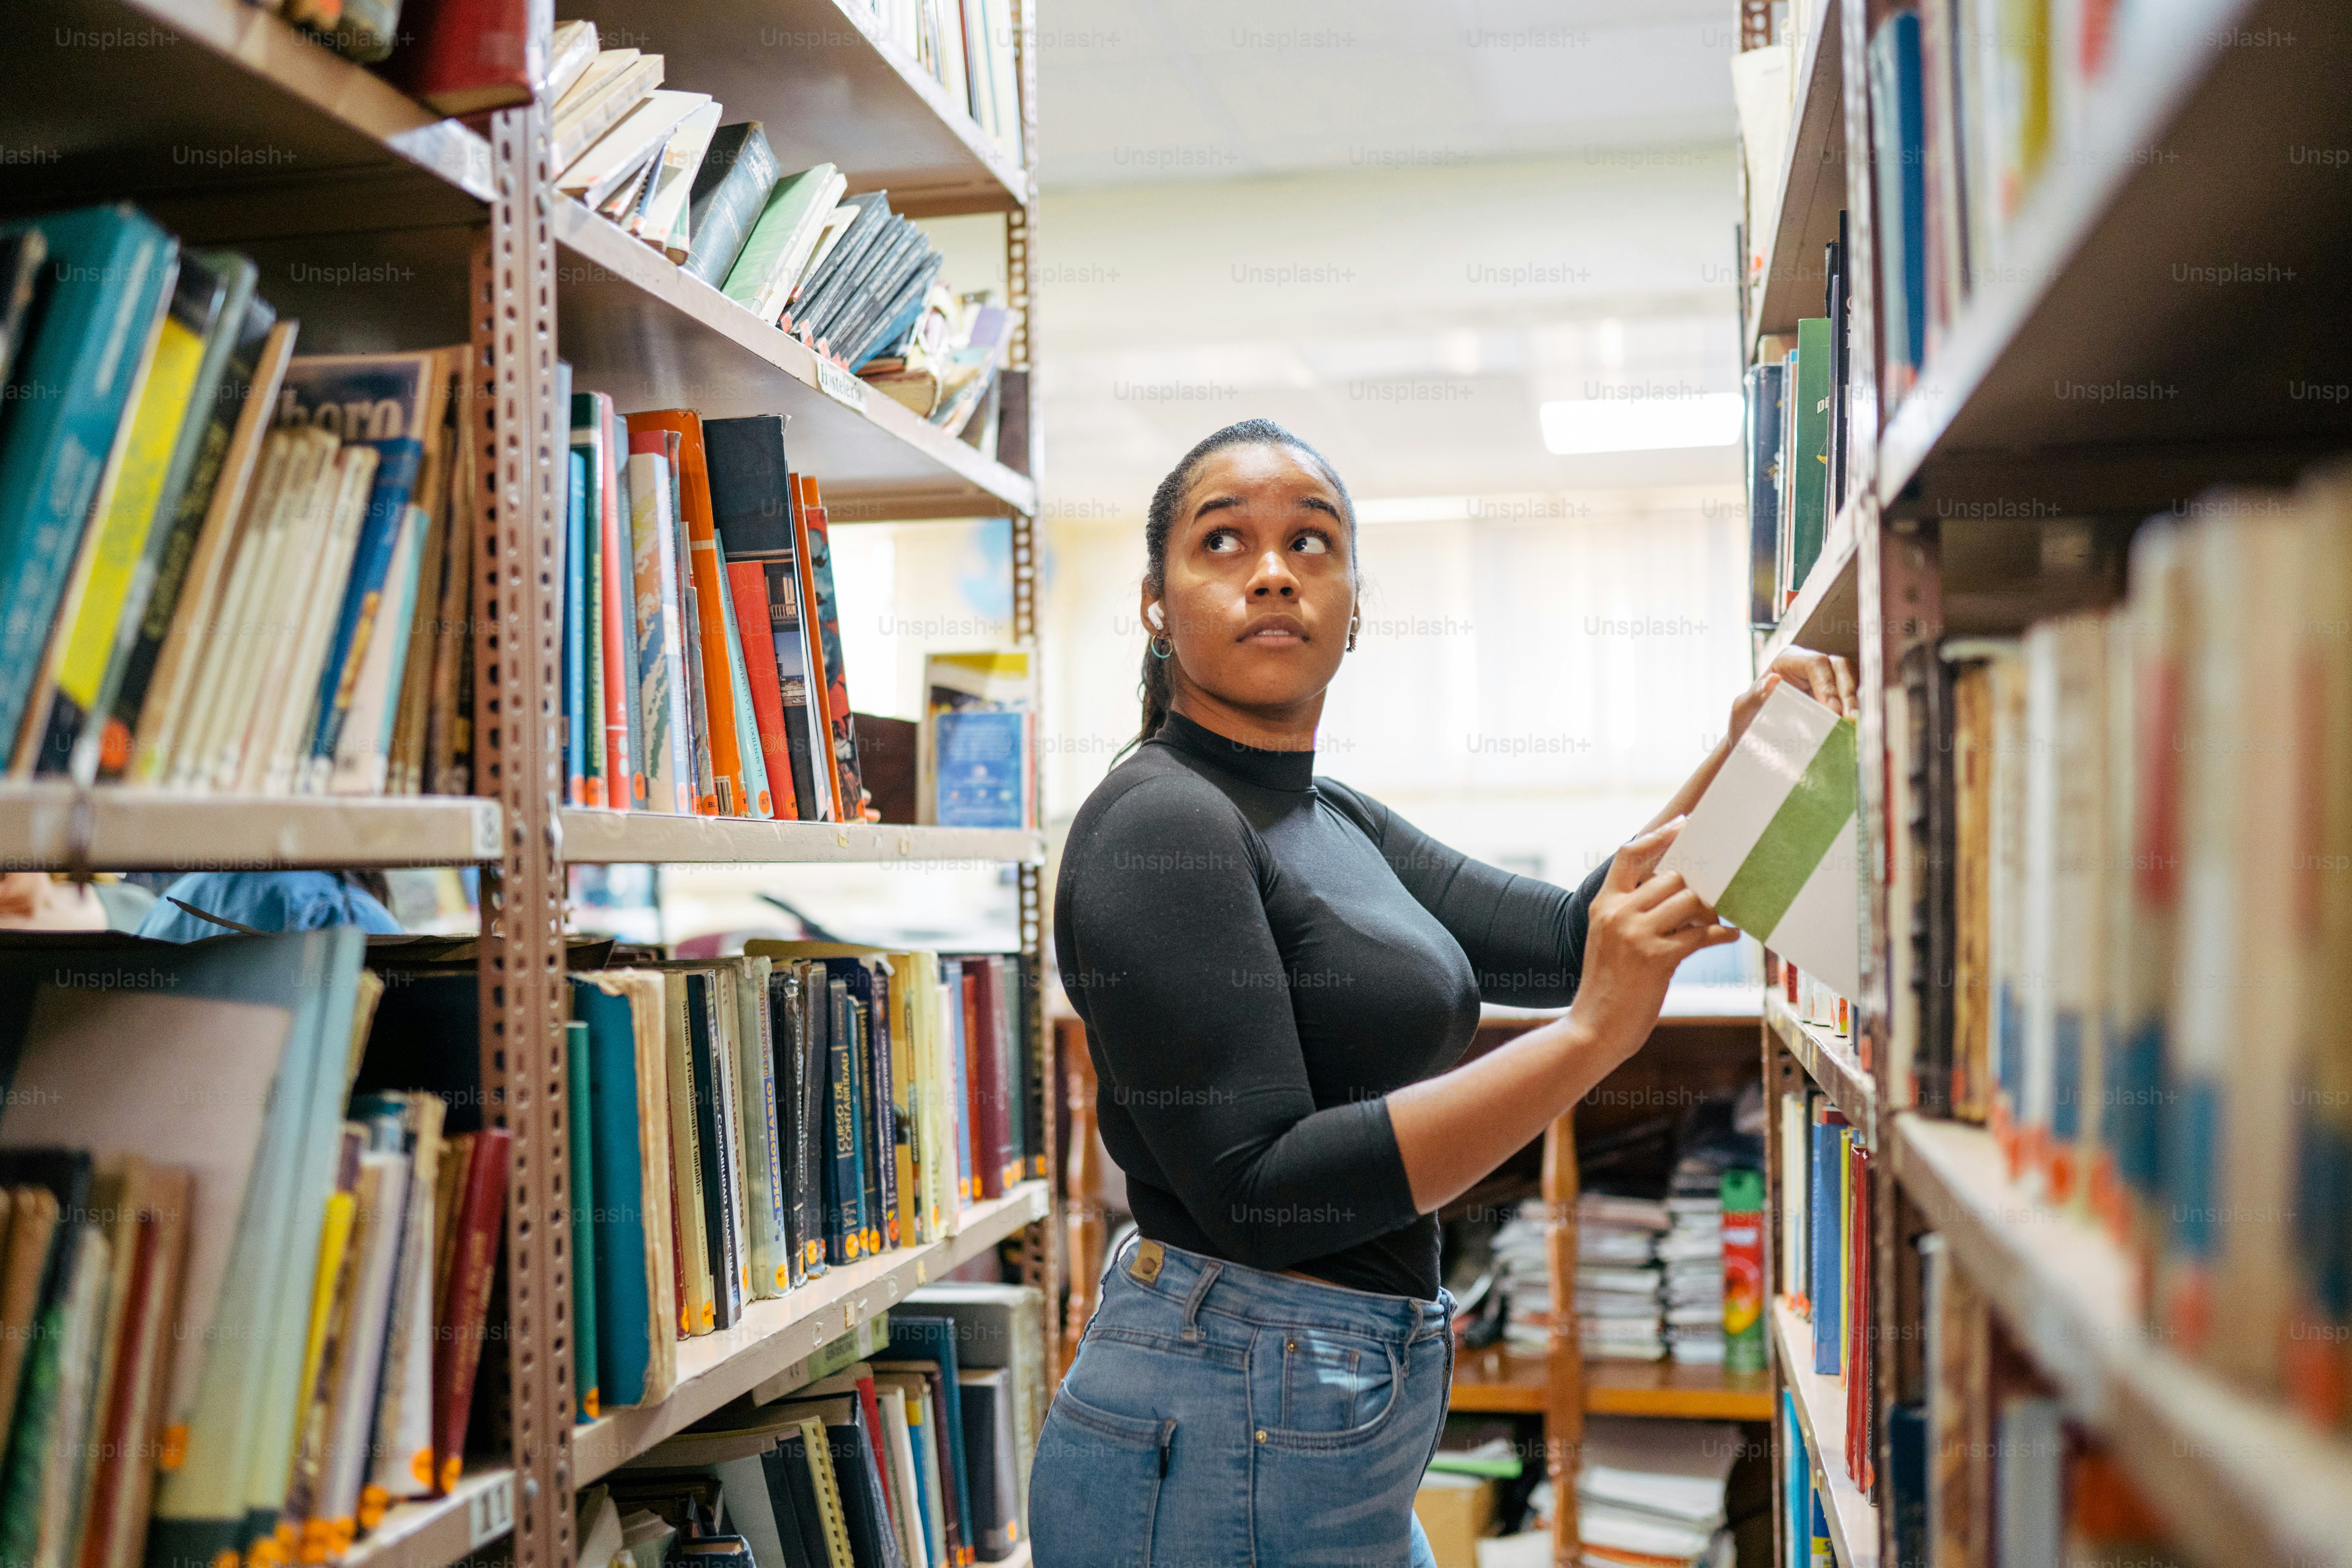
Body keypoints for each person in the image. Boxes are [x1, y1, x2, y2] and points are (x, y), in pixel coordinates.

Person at [1034, 418, 1854, 1568]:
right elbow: (1260, 1193)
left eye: (1312, 542)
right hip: (1218, 1423)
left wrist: (1754, 760)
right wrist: (1587, 1042)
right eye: (1225, 541)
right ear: (1157, 604)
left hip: (1317, 1418)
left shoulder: (1334, 817)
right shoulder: (1162, 820)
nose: (1274, 569)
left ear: (1356, 607)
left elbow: (1571, 940)